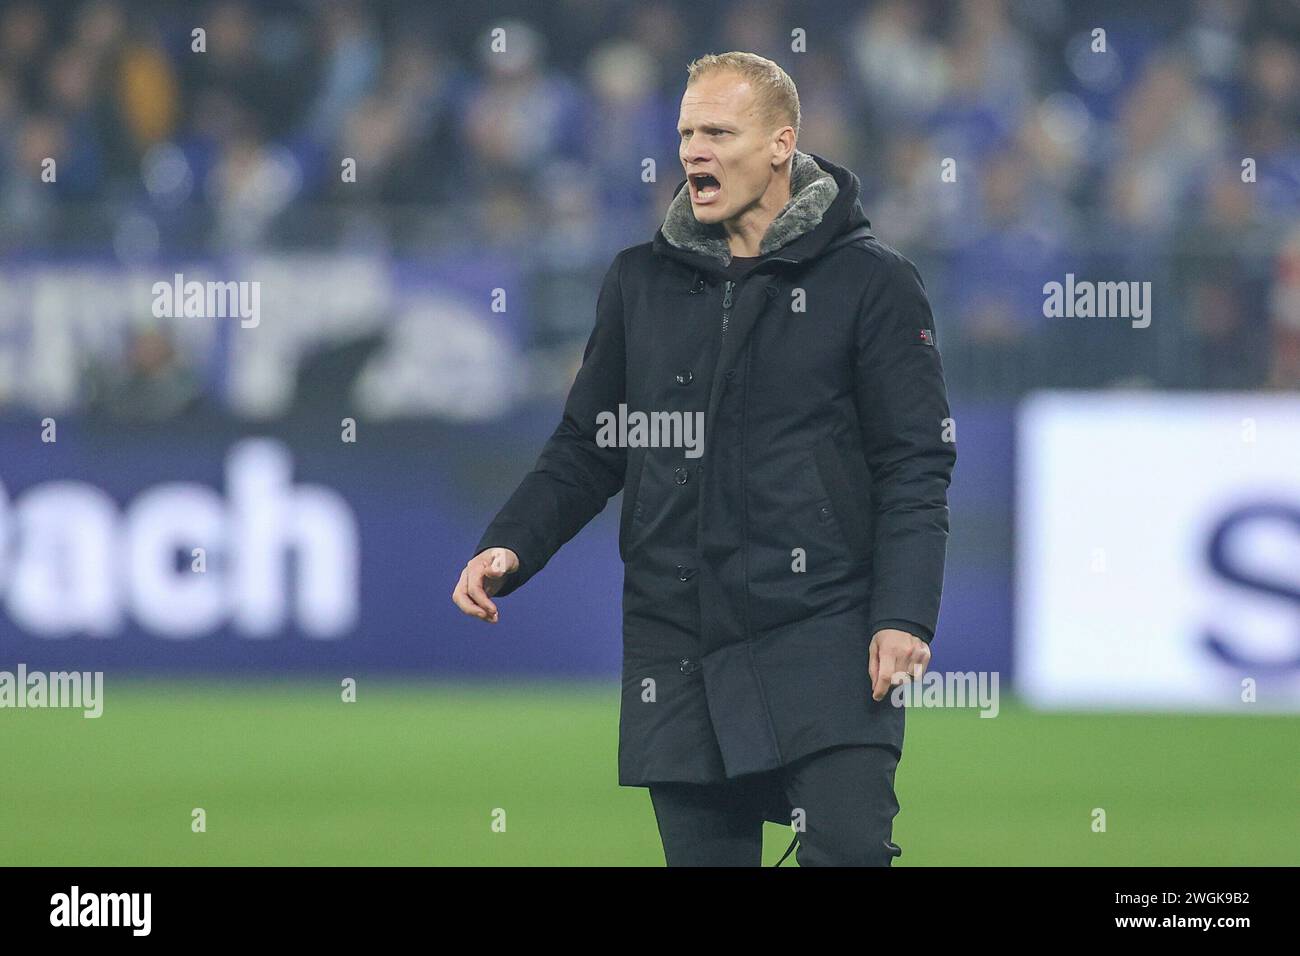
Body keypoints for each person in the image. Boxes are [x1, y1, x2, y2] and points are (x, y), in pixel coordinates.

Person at [453, 51, 956, 866]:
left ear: (780, 144)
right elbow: (589, 445)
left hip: (823, 626)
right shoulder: (640, 283)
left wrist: (903, 615)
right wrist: (510, 543)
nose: (694, 150)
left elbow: (915, 465)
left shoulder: (874, 285)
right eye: (687, 131)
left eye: (719, 131)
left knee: (852, 851)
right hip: (676, 634)